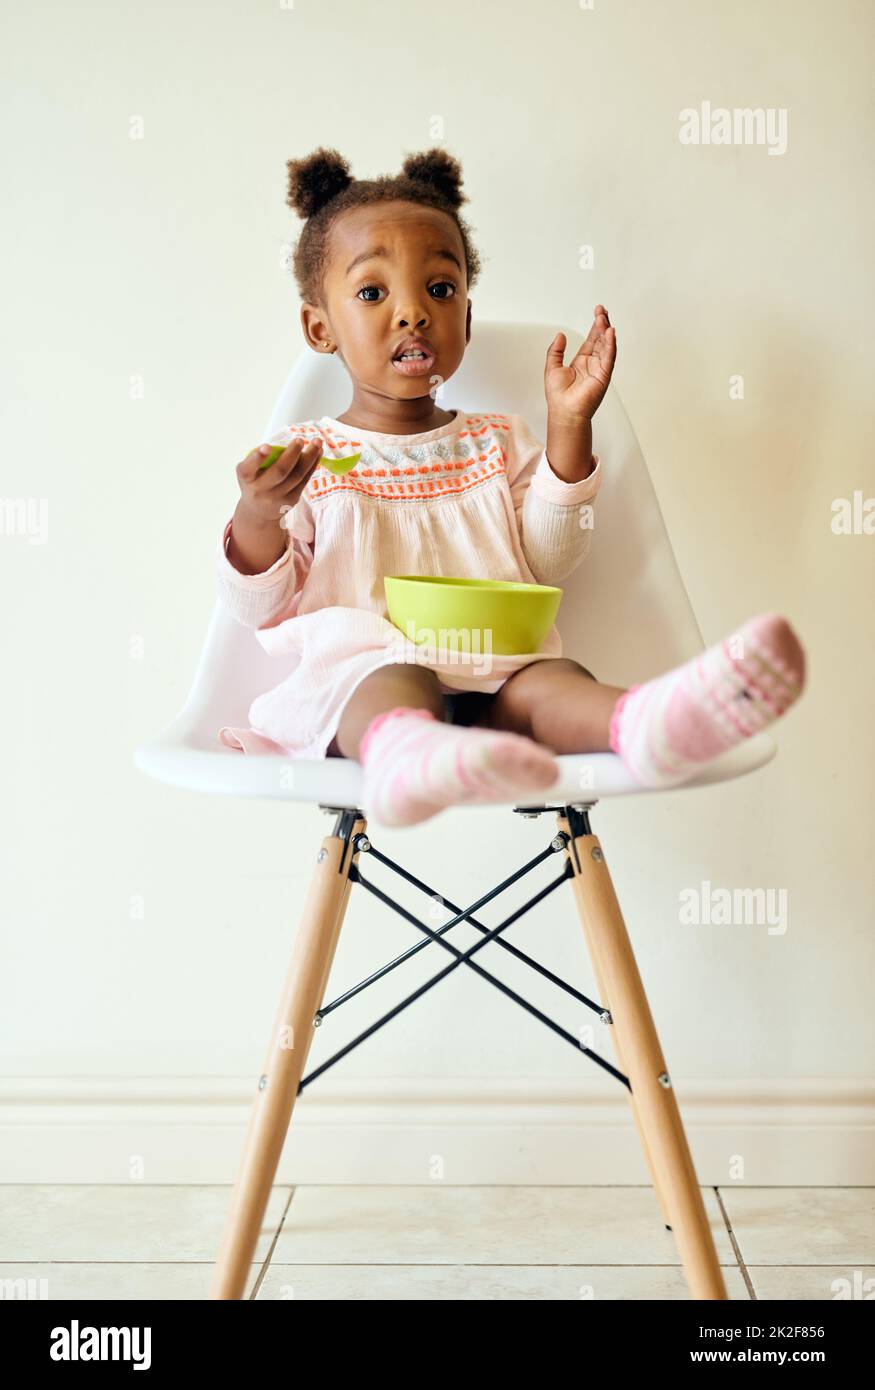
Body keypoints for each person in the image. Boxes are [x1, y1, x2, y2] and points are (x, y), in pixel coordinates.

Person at [216, 146, 806, 828]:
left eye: (439, 289)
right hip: (365, 684)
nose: (412, 312)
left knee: (555, 683)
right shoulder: (308, 460)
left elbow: (547, 558)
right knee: (391, 680)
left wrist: (566, 427)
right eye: (373, 292)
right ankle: (407, 753)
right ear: (320, 327)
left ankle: (645, 723)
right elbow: (257, 605)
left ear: (466, 318)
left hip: (495, 671)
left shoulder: (498, 442)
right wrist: (259, 510)